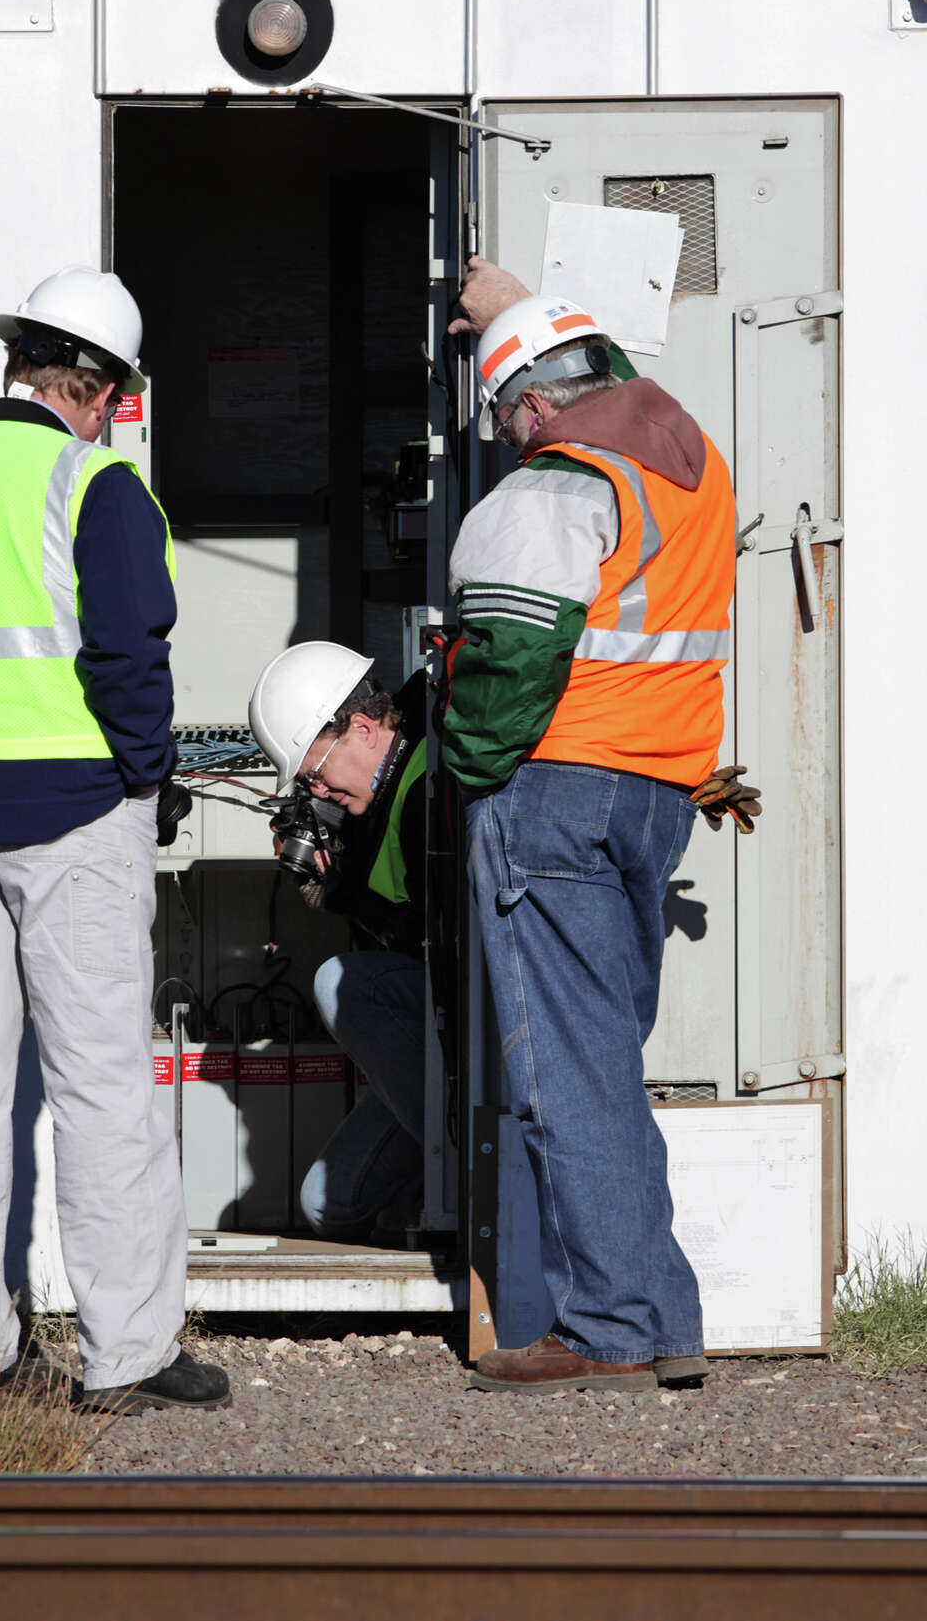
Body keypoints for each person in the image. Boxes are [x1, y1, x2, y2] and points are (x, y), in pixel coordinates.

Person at [0, 265, 230, 1416]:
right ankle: (130, 1354)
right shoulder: (96, 484)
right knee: (103, 1081)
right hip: (74, 814)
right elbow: (130, 660)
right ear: (102, 390)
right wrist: (146, 780)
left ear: (20, 364)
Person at [443, 259, 736, 1394]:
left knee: (569, 1068)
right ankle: (661, 1317)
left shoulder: (552, 484)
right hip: (658, 795)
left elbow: (511, 660)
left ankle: (611, 1322)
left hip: (556, 790)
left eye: (510, 422)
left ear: (530, 404)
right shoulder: (690, 465)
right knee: (607, 1058)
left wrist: (467, 772)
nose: (512, 440)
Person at [248, 643, 428, 1241]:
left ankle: (470, 1160)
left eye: (316, 774)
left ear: (363, 728)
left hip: (461, 1038)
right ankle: (444, 1166)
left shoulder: (430, 782)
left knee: (344, 982)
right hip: (427, 1042)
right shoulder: (374, 805)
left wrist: (344, 888)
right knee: (327, 1204)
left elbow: (437, 936)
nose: (319, 793)